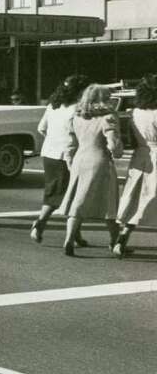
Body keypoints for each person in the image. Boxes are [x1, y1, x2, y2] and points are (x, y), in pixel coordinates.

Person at [58, 84, 123, 258]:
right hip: (100, 160)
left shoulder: (77, 116)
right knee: (110, 204)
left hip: (80, 159)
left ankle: (69, 239)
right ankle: (114, 240)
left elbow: (70, 144)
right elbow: (113, 144)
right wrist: (117, 151)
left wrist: (70, 161)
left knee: (78, 202)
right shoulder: (108, 117)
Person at [30, 75, 89, 244]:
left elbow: (41, 128)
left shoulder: (53, 106)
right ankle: (40, 223)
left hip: (49, 152)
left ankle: (76, 234)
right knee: (70, 194)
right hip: (68, 155)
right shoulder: (78, 108)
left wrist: (54, 137)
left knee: (54, 191)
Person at [115, 74, 157, 256]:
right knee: (150, 197)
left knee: (136, 197)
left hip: (140, 155)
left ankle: (123, 235)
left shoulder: (135, 113)